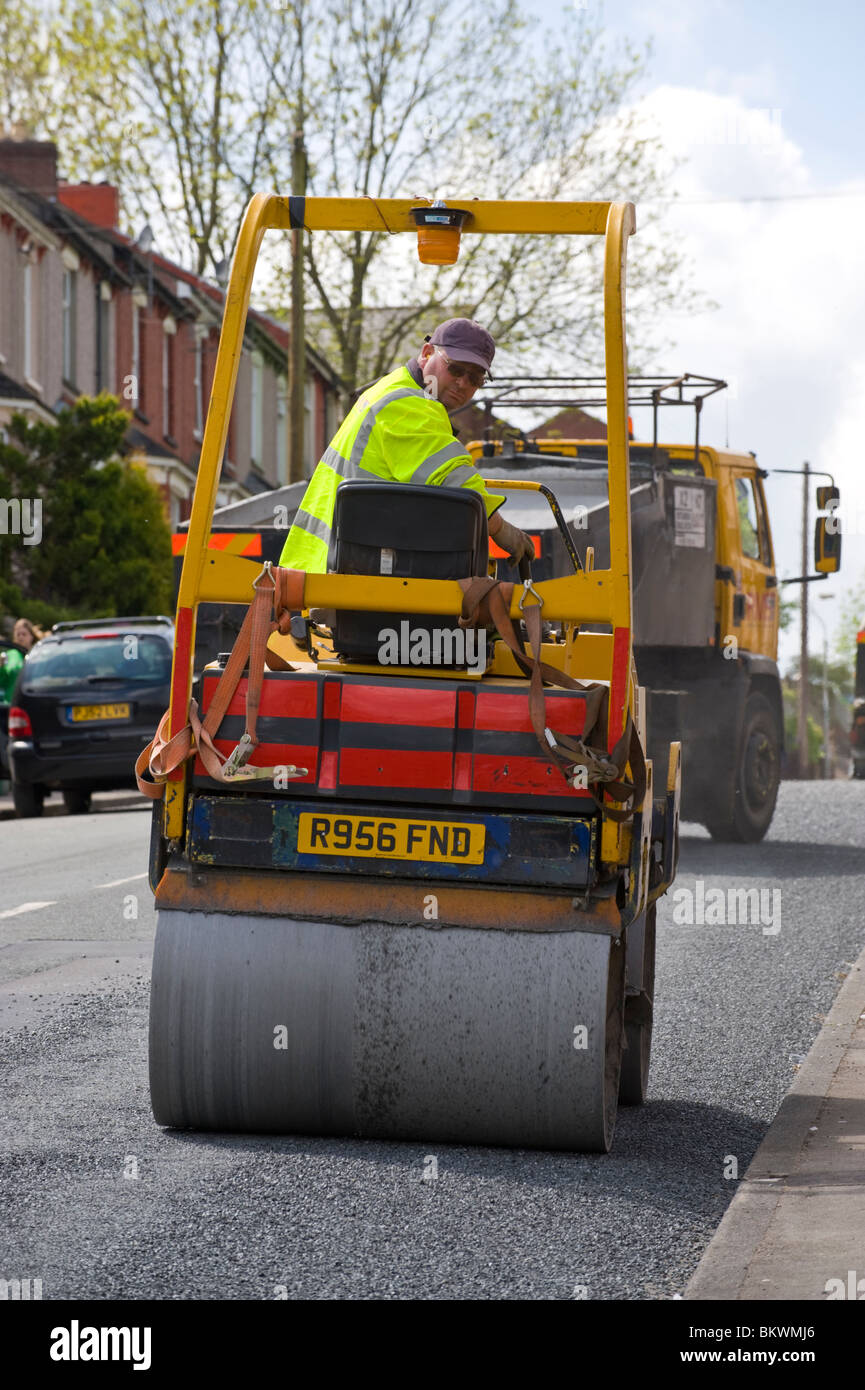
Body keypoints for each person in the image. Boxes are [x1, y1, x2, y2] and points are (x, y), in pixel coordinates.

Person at [278, 318, 535, 572]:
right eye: (456, 369)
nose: (463, 383)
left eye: (476, 379)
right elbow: (454, 481)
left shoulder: (396, 389)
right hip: (338, 575)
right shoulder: (408, 404)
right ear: (427, 353)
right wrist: (501, 529)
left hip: (325, 569)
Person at [0, 618, 42, 703]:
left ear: (31, 636)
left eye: (24, 634)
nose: (20, 637)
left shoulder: (38, 654)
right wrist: (1, 667)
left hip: (33, 702)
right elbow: (3, 682)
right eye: (18, 634)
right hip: (10, 703)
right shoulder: (10, 654)